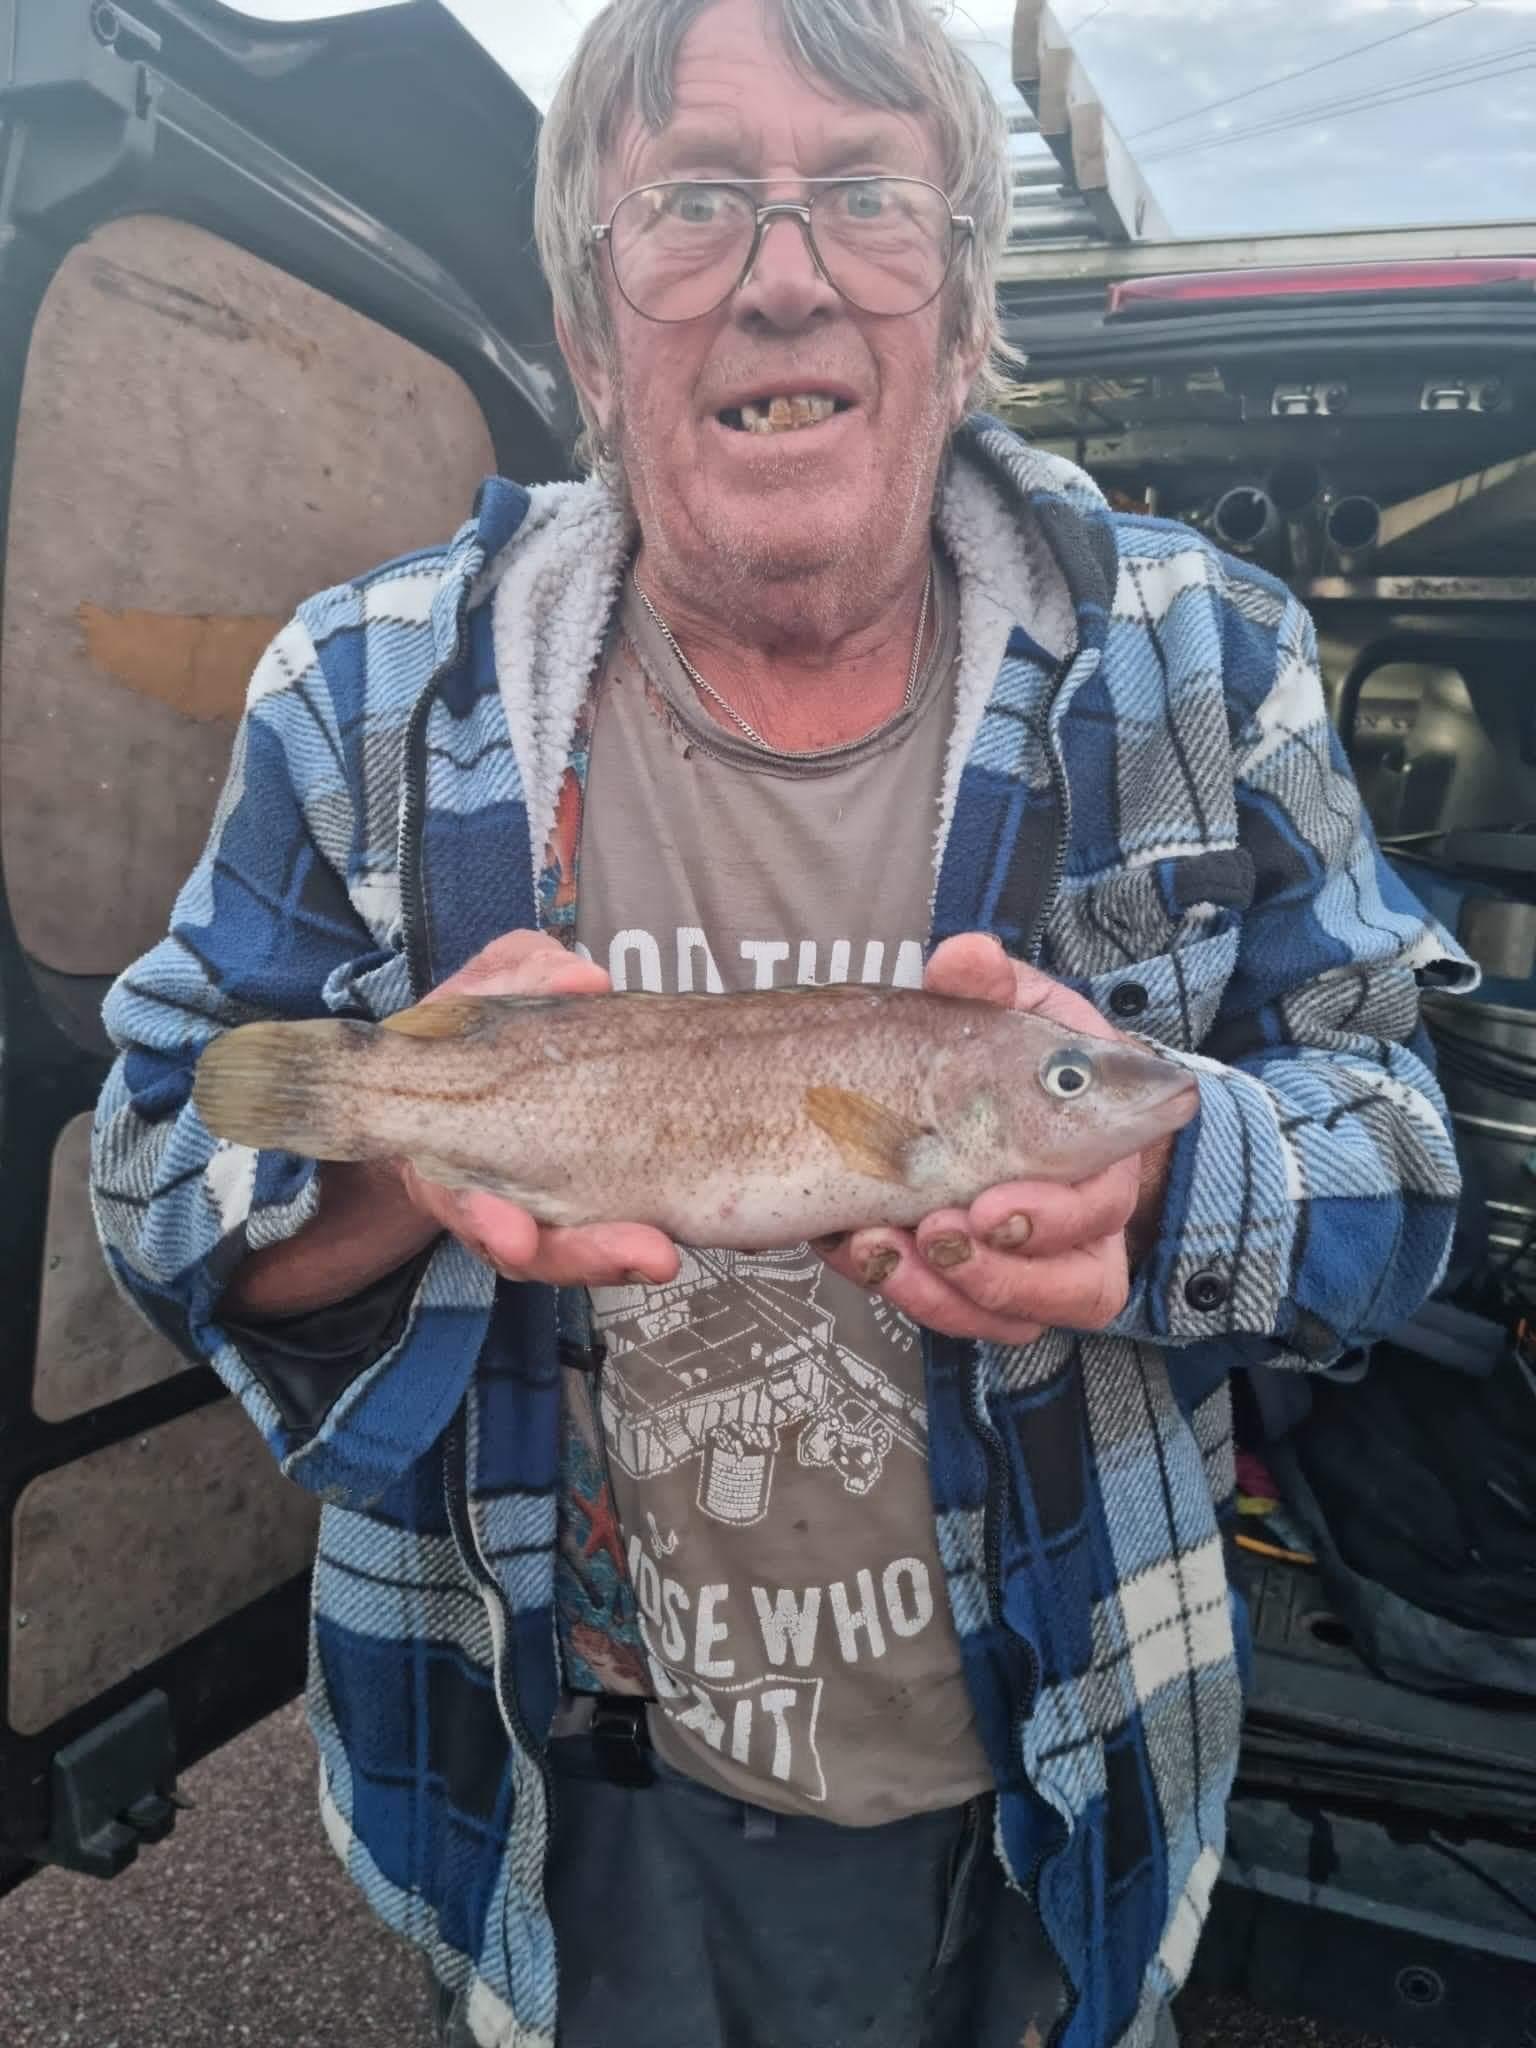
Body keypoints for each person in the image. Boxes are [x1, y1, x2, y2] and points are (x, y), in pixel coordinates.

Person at [89, 2, 1474, 2044]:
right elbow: (154, 1165)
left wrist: (1173, 1182)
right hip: (571, 1797)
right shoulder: (366, 688)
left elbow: (1405, 1153)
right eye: (696, 201)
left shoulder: (1202, 651)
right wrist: (415, 1144)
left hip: (1078, 1754)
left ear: (966, 303)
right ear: (585, 332)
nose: (787, 270)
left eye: (865, 194)